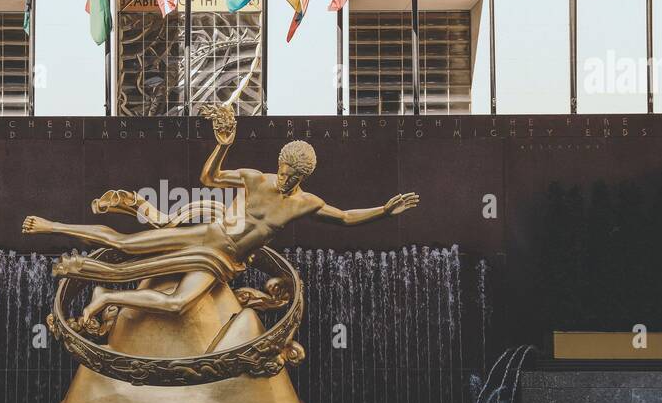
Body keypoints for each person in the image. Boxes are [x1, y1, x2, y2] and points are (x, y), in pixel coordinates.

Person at [22, 102, 418, 330]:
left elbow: (346, 217)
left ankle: (108, 295)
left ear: (303, 177)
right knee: (126, 243)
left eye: (292, 175)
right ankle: (51, 225)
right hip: (207, 236)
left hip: (223, 261)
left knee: (179, 304)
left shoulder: (305, 203)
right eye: (282, 169)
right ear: (278, 164)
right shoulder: (255, 178)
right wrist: (222, 145)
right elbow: (209, 177)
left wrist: (384, 210)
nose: (283, 177)